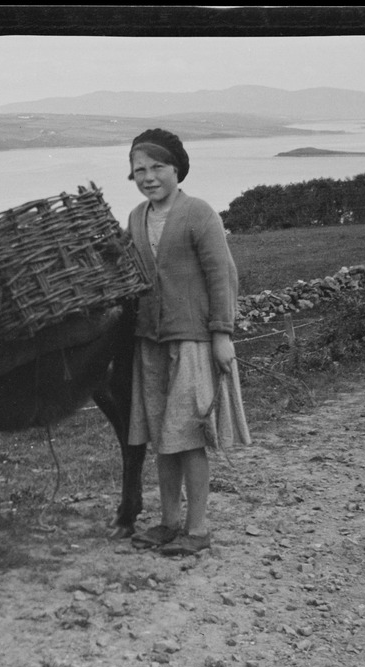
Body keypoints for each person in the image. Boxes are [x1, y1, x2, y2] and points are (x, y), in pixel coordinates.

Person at [124, 128, 245, 556]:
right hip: (150, 342)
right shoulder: (136, 217)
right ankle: (168, 522)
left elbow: (222, 275)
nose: (149, 176)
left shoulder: (199, 213)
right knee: (162, 434)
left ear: (177, 169)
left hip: (192, 340)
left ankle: (197, 527)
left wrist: (222, 335)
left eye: (157, 167)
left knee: (189, 435)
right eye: (140, 169)